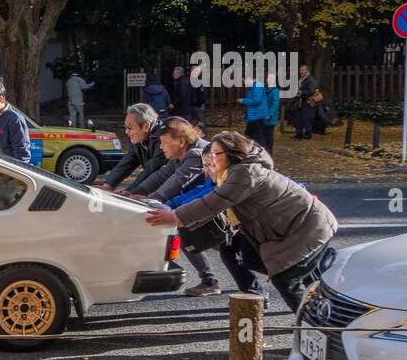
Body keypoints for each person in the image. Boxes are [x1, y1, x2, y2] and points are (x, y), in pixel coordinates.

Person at [144, 131, 338, 312]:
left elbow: (213, 202)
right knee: (251, 259)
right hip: (287, 227)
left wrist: (176, 217)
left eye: (215, 153)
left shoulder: (245, 173)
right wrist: (172, 207)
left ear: (231, 153)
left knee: (285, 277)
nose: (211, 159)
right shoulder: (231, 173)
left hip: (308, 226)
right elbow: (204, 196)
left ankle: (312, 324)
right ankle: (318, 271)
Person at [124, 118, 220, 296]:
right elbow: (162, 175)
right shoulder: (181, 153)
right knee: (193, 236)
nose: (161, 147)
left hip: (215, 206)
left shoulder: (196, 154)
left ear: (181, 141)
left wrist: (154, 200)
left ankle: (213, 281)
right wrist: (134, 192)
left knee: (226, 245)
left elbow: (176, 182)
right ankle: (210, 281)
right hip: (200, 203)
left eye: (164, 142)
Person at [100, 103, 165, 192]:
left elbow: (152, 169)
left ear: (146, 126)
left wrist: (130, 191)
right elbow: (126, 163)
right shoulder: (140, 137)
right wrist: (108, 185)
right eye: (125, 127)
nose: (126, 132)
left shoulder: (164, 138)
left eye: (129, 128)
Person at [241, 76, 271, 149]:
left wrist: (243, 101)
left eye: (244, 81)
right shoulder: (253, 87)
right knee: (249, 134)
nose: (244, 84)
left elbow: (256, 100)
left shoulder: (257, 86)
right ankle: (252, 151)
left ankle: (262, 153)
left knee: (258, 137)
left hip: (258, 115)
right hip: (254, 115)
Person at [295, 65, 317, 140]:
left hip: (307, 101)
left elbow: (312, 91)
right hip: (301, 101)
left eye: (303, 70)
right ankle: (299, 134)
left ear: (307, 71)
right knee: (299, 118)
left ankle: (308, 135)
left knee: (306, 118)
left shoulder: (310, 79)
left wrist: (301, 92)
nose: (301, 72)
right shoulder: (301, 79)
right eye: (300, 70)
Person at [262, 73, 281, 154]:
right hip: (263, 116)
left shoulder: (275, 91)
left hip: (270, 117)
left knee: (269, 135)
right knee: (263, 134)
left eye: (271, 79)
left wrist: (269, 114)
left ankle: (269, 152)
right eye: (268, 78)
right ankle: (264, 151)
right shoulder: (265, 89)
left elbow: (275, 103)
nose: (269, 80)